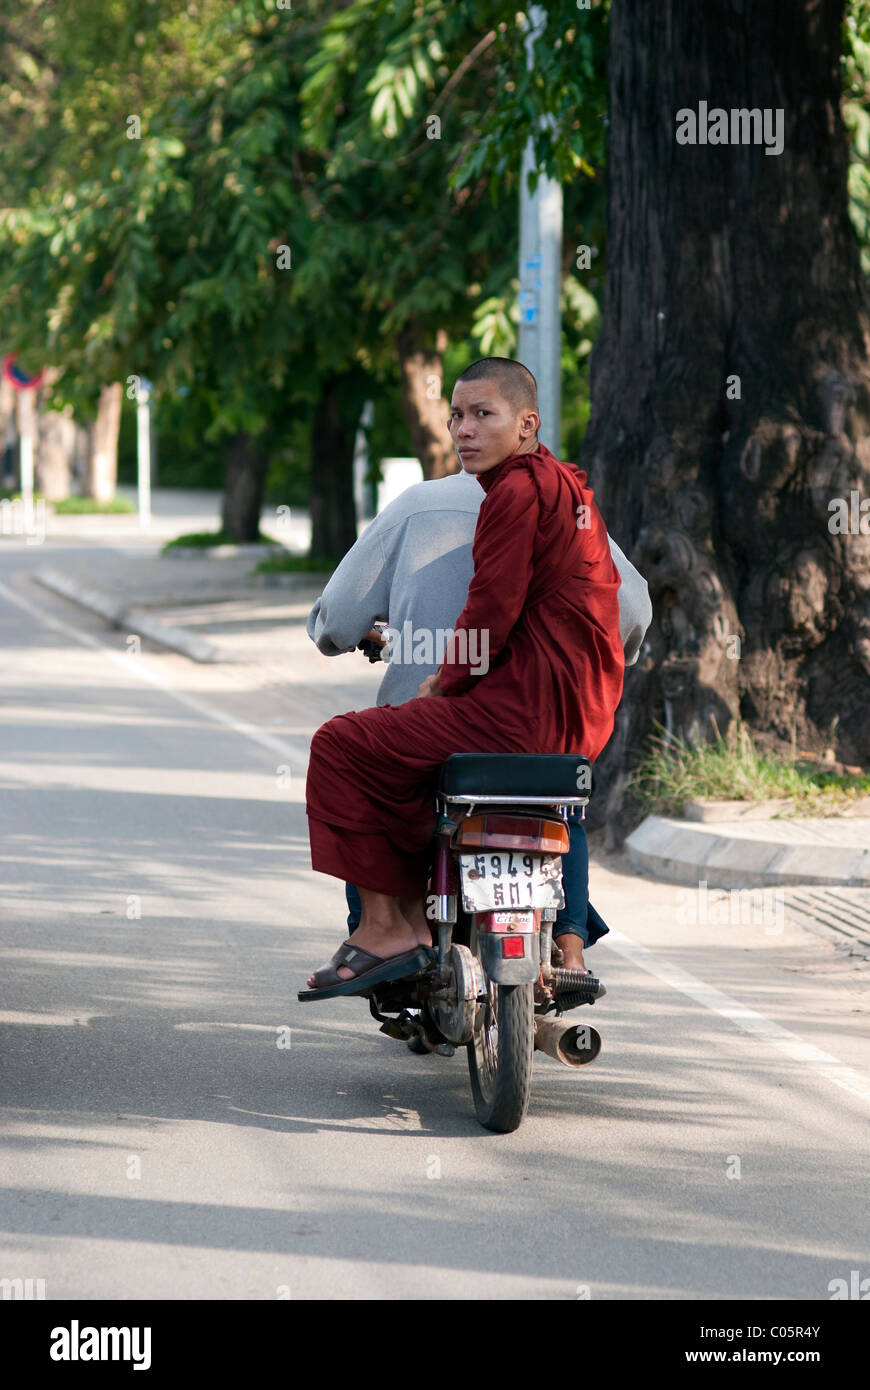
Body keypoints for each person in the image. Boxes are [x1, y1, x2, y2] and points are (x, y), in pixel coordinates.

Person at [303, 357, 630, 998]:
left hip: (518, 713)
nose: (465, 430)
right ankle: (568, 947)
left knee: (340, 746)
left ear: (527, 424)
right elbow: (627, 606)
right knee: (563, 815)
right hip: (577, 721)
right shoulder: (568, 491)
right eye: (457, 415)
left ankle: (386, 929)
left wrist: (443, 681)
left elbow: (491, 609)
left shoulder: (510, 491)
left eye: (484, 414)